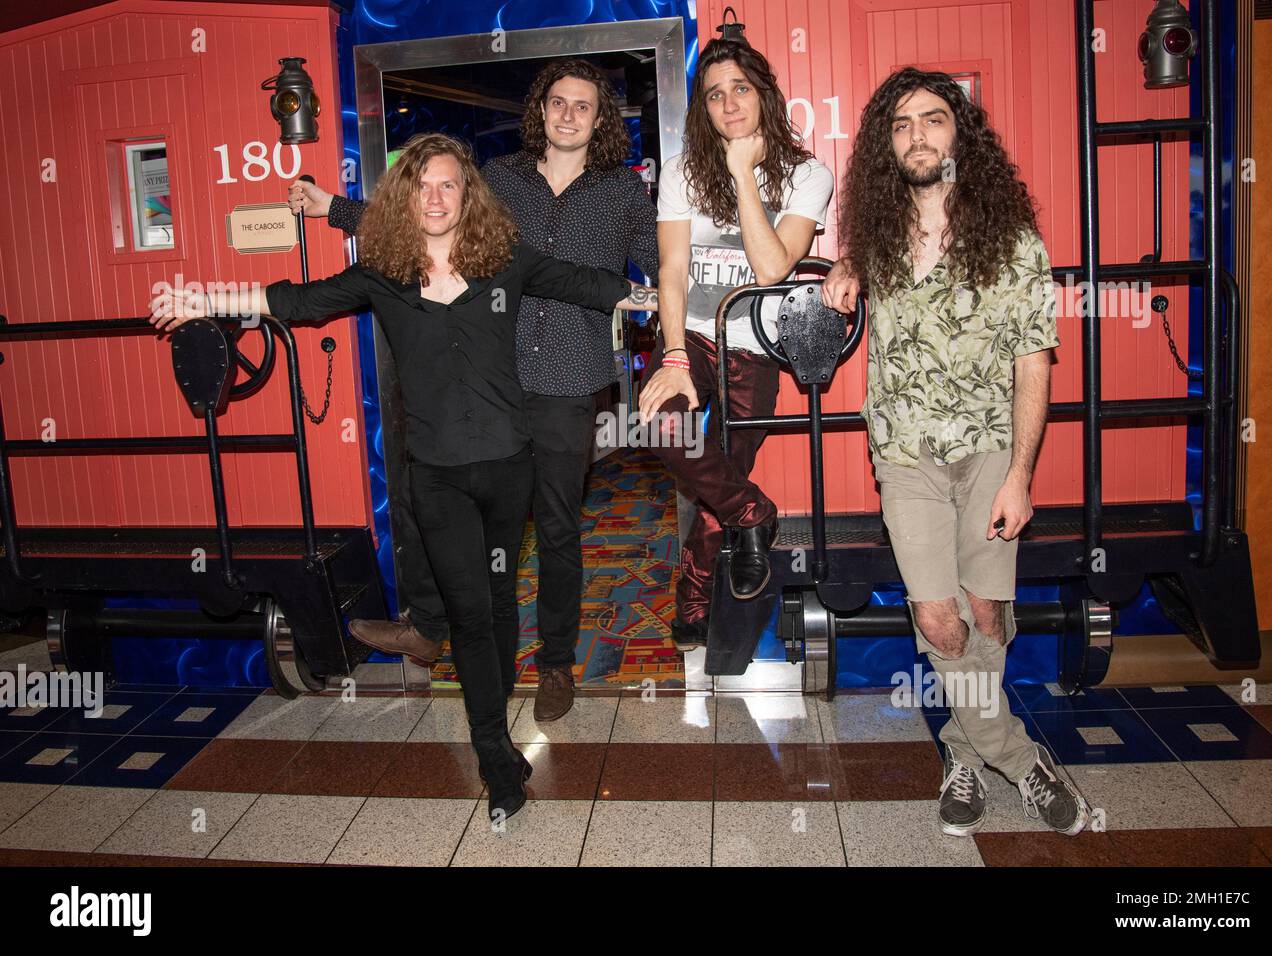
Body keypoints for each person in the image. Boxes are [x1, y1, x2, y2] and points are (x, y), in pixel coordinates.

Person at [149, 133, 657, 822]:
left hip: (509, 471)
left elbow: (583, 283)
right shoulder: (383, 275)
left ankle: (494, 717)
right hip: (438, 481)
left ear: (468, 194)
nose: (437, 197)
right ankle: (494, 755)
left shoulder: (503, 261)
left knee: (500, 608)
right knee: (473, 615)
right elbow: (296, 300)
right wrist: (205, 299)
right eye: (423, 187)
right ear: (403, 200)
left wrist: (654, 296)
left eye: (449, 184)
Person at [292, 59, 658, 721]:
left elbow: (667, 265)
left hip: (568, 384)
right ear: (540, 111)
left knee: (555, 532)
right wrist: (337, 211)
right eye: (558, 103)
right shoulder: (501, 179)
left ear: (600, 119)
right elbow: (429, 225)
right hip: (491, 376)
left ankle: (553, 665)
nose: (569, 115)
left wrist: (677, 311)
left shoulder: (623, 193)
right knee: (445, 502)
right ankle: (435, 629)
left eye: (584, 105)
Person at [822, 68, 1088, 836]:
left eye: (932, 119)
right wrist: (845, 268)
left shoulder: (1010, 239)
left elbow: (1033, 361)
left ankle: (963, 756)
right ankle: (1019, 757)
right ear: (887, 143)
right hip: (904, 452)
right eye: (901, 124)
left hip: (989, 452)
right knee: (939, 619)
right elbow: (851, 272)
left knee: (985, 612)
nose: (917, 136)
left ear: (958, 132)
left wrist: (1021, 477)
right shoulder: (876, 232)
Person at [638, 37, 833, 649]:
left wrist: (743, 171)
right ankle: (754, 514)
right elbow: (671, 270)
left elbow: (772, 266)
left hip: (758, 345)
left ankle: (693, 598)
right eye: (714, 95)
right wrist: (672, 356)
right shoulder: (679, 173)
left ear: (764, 96)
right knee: (657, 425)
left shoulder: (807, 173)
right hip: (691, 336)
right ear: (702, 107)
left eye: (740, 90)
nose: (728, 105)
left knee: (724, 471)